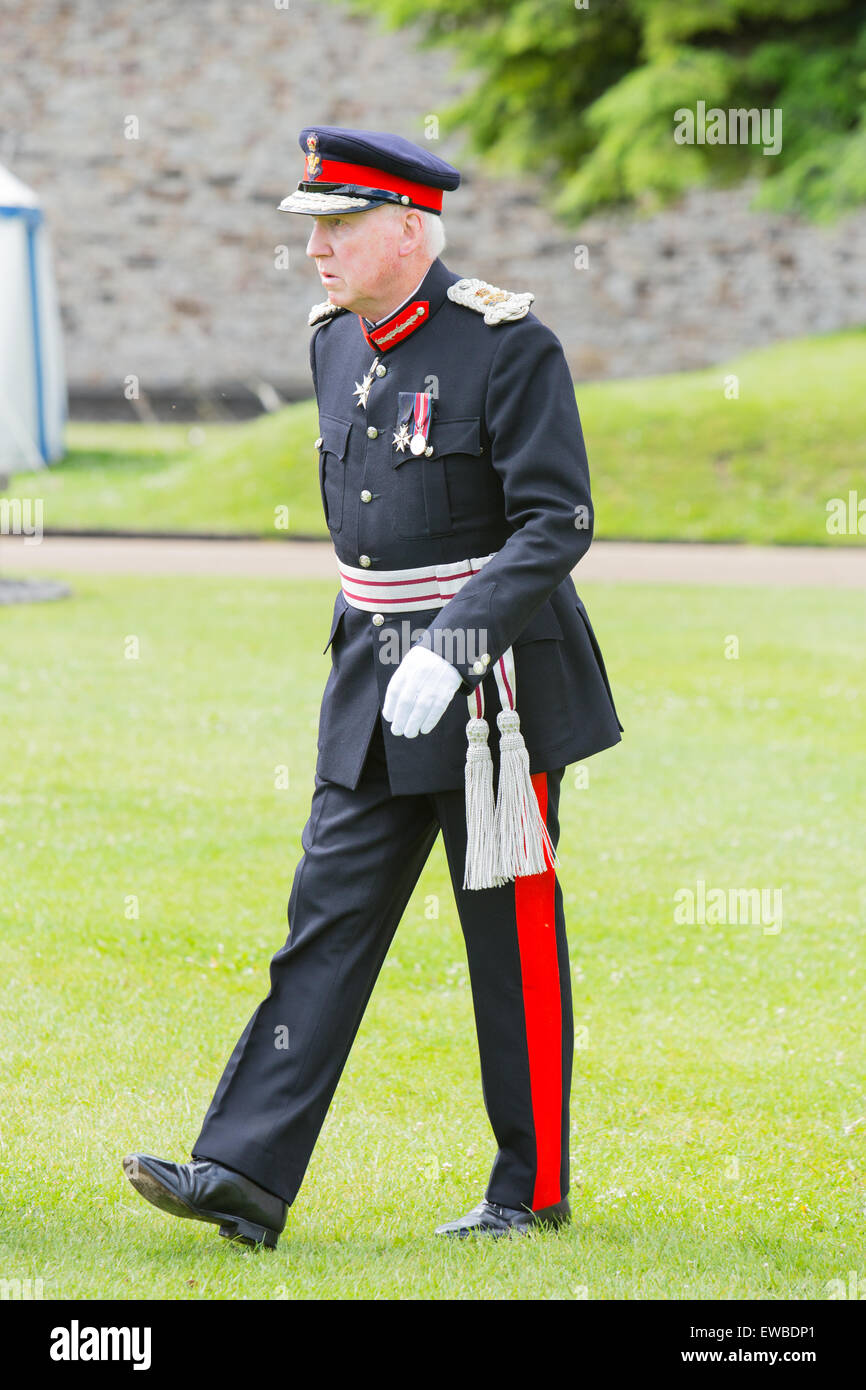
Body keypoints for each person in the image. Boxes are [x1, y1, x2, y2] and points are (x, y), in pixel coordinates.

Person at [123, 126, 623, 1248]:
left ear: (409, 228)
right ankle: (243, 1175)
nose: (316, 250)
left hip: (492, 692)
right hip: (370, 682)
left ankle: (528, 1191)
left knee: (511, 943)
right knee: (323, 922)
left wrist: (452, 643)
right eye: (312, 228)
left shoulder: (508, 343)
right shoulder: (332, 345)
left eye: (338, 227)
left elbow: (558, 521)